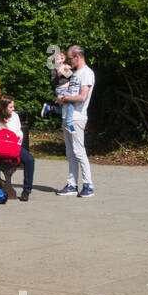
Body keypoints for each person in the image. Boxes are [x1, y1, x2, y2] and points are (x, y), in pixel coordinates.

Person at [54, 45, 96, 198]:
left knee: (79, 151)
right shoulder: (75, 73)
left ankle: (88, 185)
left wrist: (65, 98)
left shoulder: (87, 73)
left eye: (71, 59)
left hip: (77, 118)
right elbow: (61, 75)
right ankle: (72, 184)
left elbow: (82, 97)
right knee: (70, 153)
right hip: (67, 116)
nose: (70, 62)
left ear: (78, 57)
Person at [0, 96, 34, 202]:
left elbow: (20, 133)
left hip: (13, 147)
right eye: (11, 107)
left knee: (30, 160)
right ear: (3, 108)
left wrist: (17, 143)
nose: (13, 109)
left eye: (13, 106)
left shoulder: (15, 116)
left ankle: (26, 191)